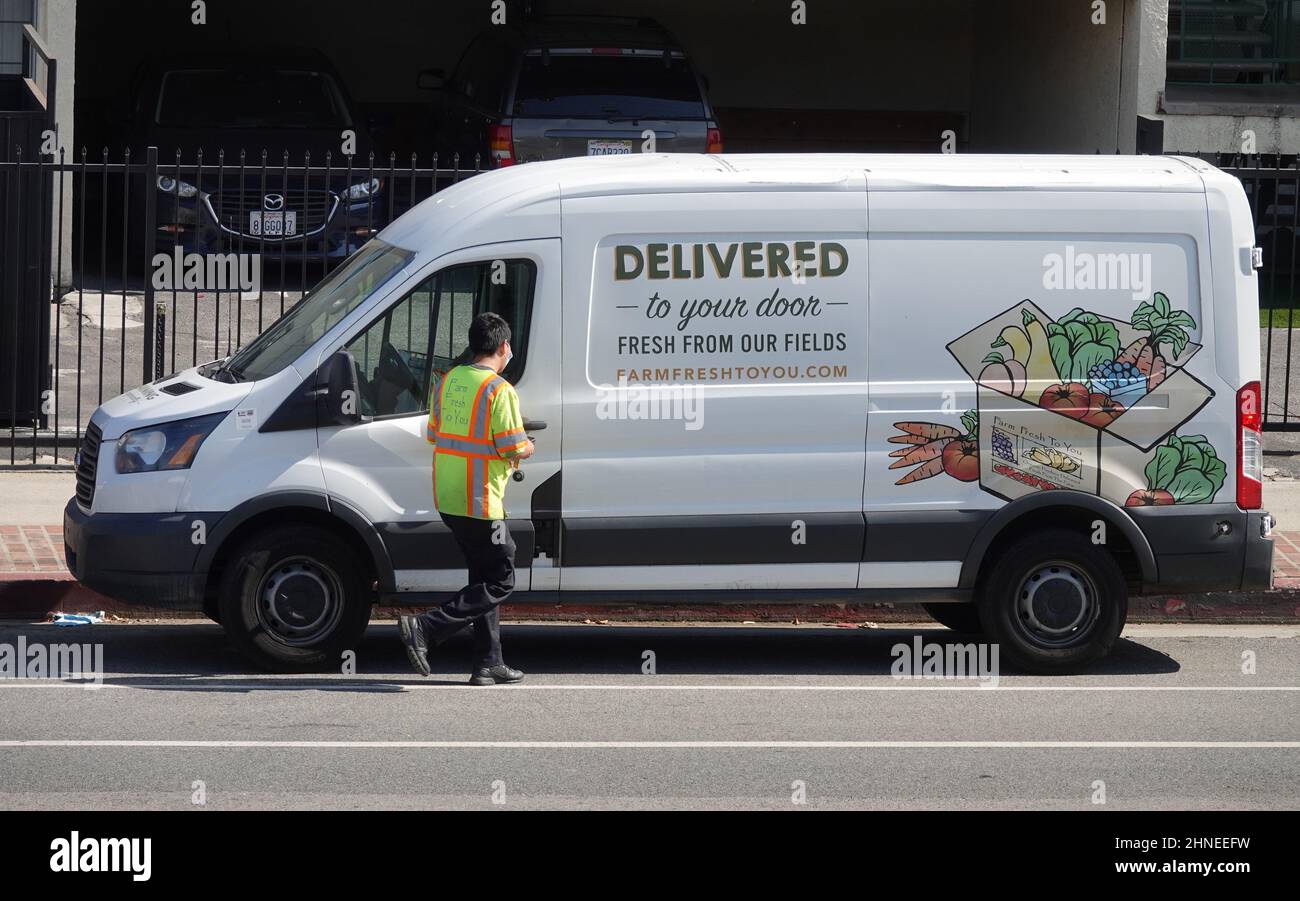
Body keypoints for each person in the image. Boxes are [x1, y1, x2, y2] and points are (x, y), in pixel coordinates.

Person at [398, 312, 535, 684]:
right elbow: (511, 445)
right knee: (502, 580)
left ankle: (488, 662)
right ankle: (425, 627)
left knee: (482, 575)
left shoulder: (448, 380)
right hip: (482, 501)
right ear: (504, 347)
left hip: (449, 496)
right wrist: (526, 448)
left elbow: (435, 433)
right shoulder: (499, 390)